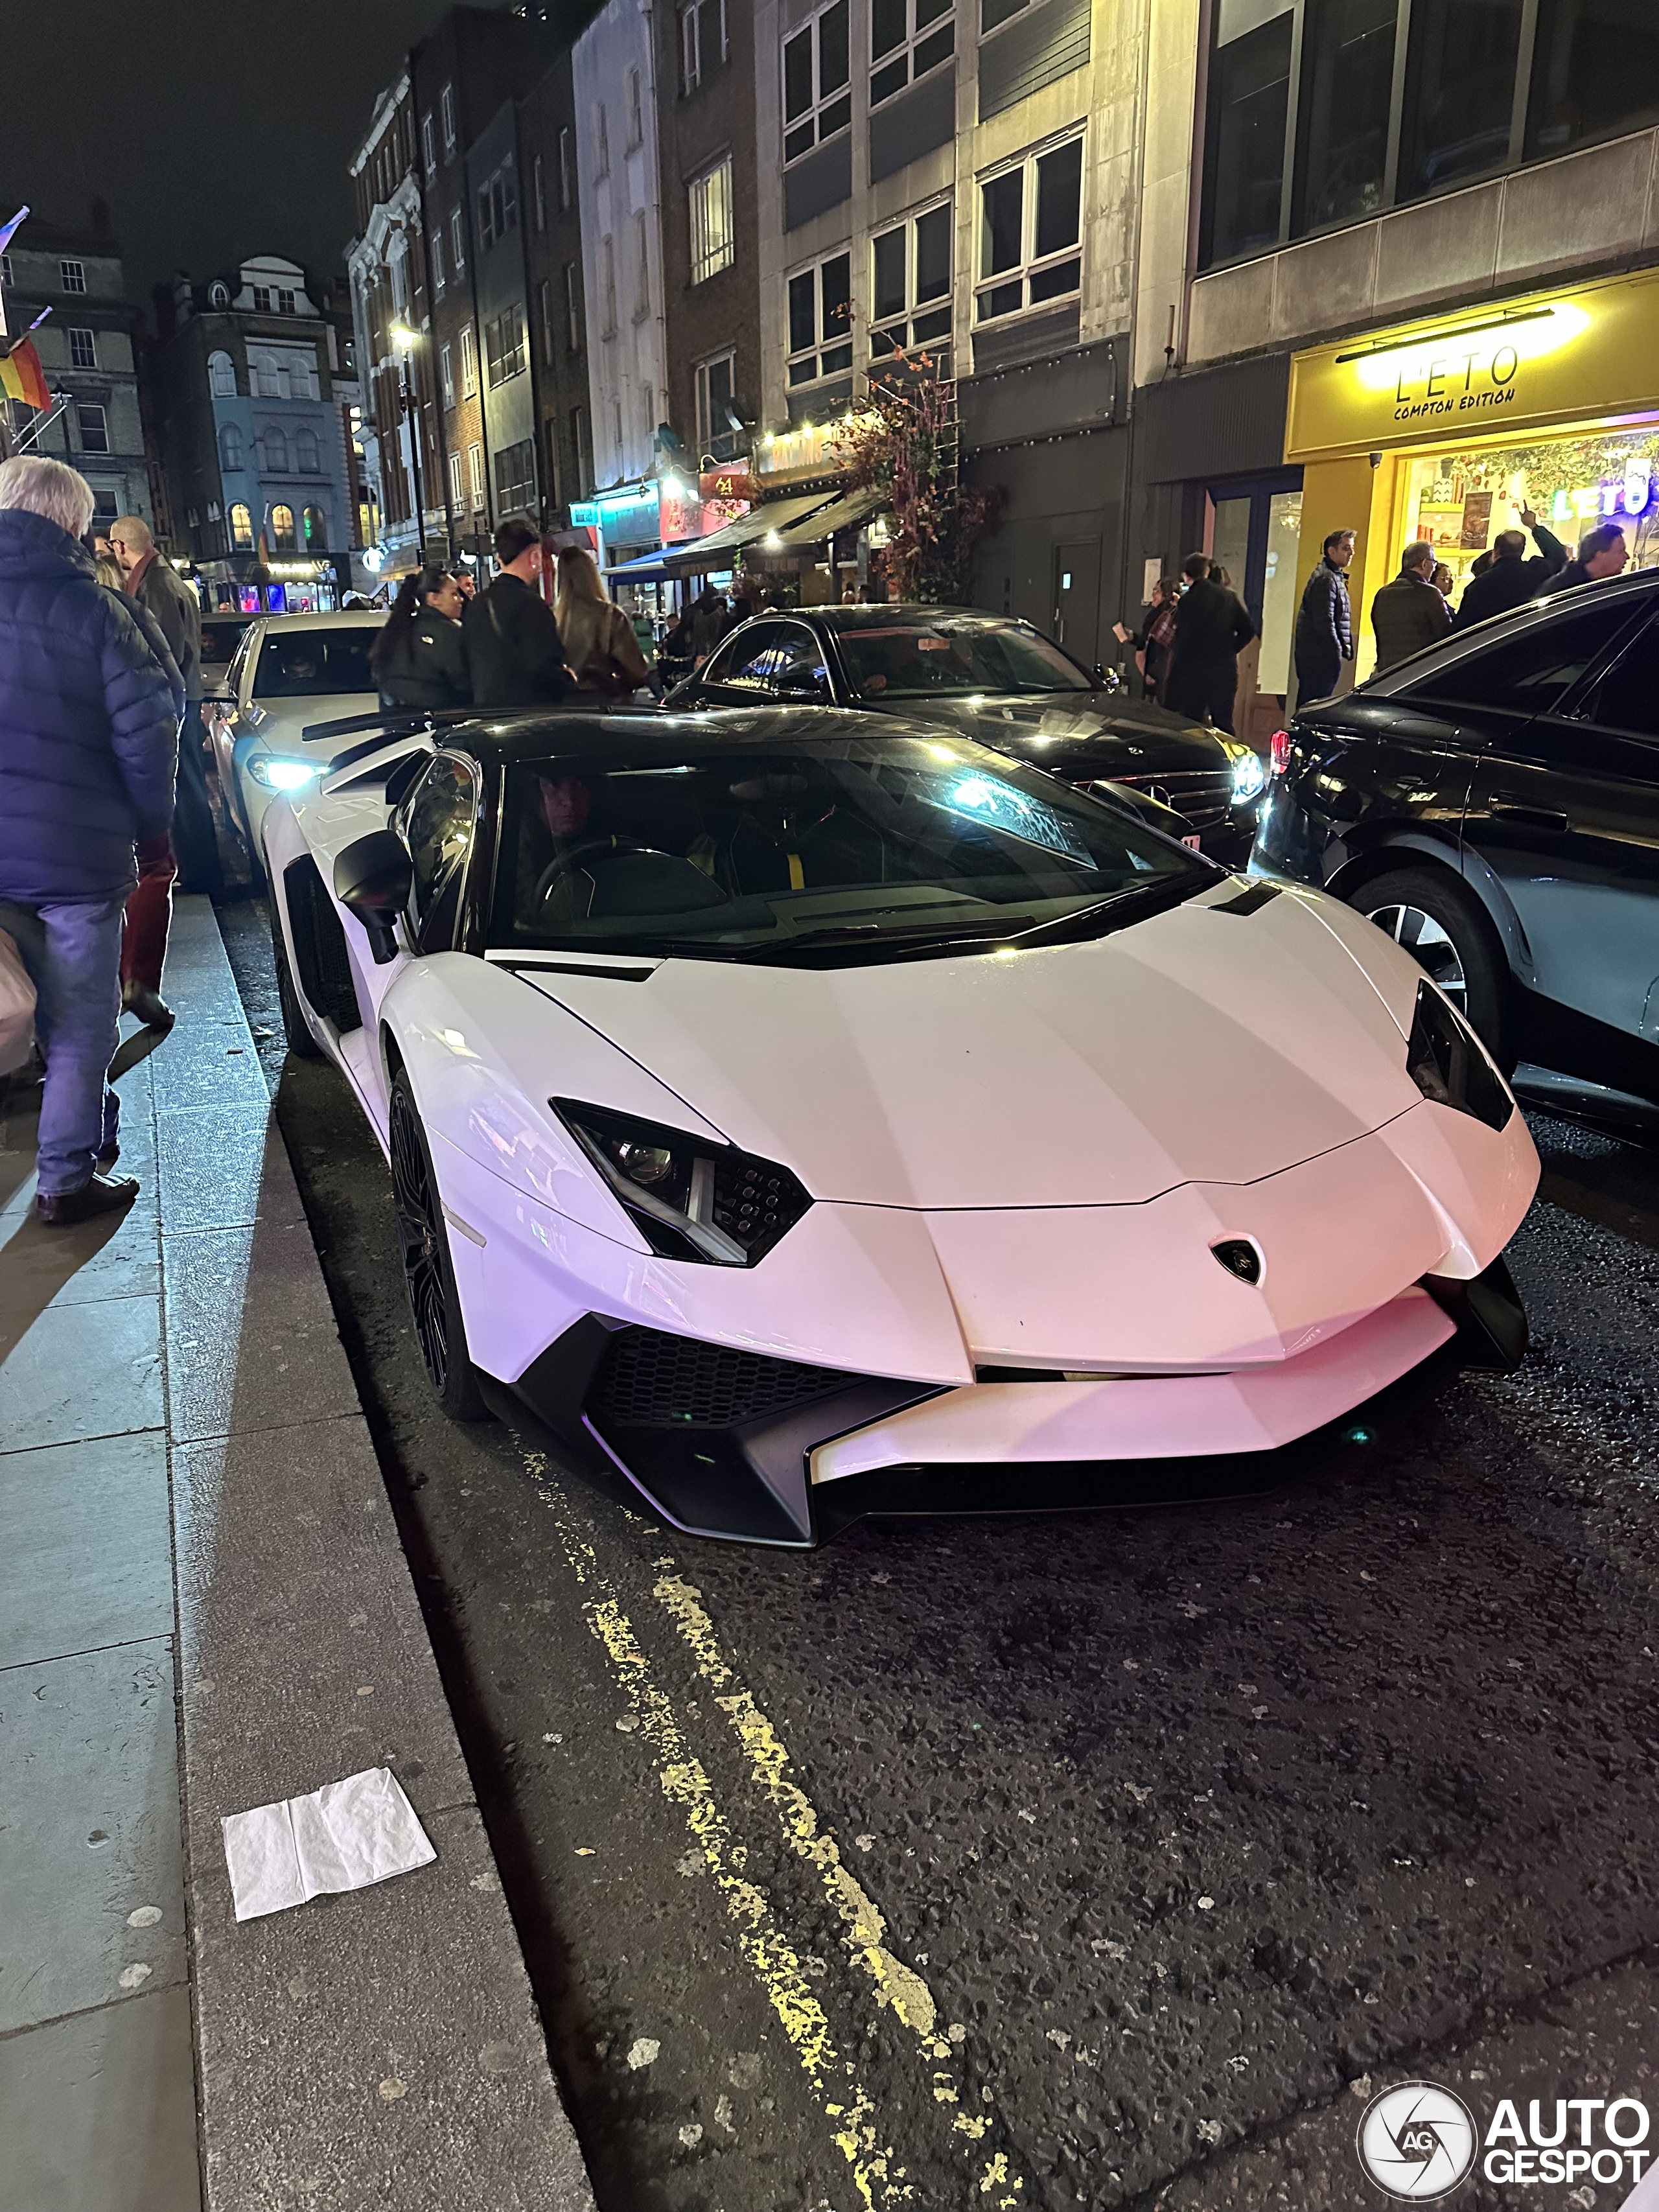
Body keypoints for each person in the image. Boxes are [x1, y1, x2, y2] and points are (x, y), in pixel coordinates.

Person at [0, 457, 181, 1225]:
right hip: (79, 857)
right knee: (80, 1022)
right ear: (73, 525)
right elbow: (149, 733)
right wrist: (150, 829)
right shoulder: (101, 613)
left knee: (21, 1002)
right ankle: (66, 1178)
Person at [111, 514, 221, 905]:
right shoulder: (163, 578)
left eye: (113, 546)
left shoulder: (155, 585)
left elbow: (166, 653)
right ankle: (203, 870)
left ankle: (203, 872)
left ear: (121, 546)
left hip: (177, 700)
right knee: (189, 784)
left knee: (186, 786)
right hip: (185, 696)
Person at [461, 518, 572, 708]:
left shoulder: (477, 604)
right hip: (526, 719)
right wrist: (568, 679)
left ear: (500, 559)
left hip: (485, 716)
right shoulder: (532, 606)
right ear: (534, 556)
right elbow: (543, 668)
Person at [1163, 553, 1254, 731]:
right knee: (1224, 723)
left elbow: (1183, 642)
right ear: (1206, 571)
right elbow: (1248, 630)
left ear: (1186, 575)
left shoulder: (1188, 602)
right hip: (1223, 670)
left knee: (1192, 724)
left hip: (1194, 672)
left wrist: (1173, 683)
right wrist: (1230, 650)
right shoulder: (1228, 597)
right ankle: (1229, 758)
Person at [554, 546, 651, 696]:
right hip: (605, 705)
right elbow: (637, 671)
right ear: (591, 574)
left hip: (564, 708)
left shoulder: (553, 618)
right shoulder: (610, 616)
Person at [370, 565, 470, 709]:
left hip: (396, 722)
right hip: (439, 721)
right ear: (434, 598)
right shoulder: (450, 633)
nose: (460, 600)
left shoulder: (397, 629)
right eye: (454, 594)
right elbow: (464, 684)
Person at [1453, 507, 1567, 629]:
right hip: (1532, 635)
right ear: (1522, 550)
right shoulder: (1538, 572)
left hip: (1493, 643)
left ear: (1495, 553)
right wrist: (1533, 526)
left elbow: (1463, 627)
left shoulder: (1478, 586)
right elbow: (1559, 555)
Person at [1294, 529, 1356, 705]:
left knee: (1312, 703)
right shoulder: (1326, 579)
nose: (1351, 553)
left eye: (1352, 548)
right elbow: (1325, 622)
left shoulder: (1332, 576)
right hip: (1318, 658)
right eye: (1346, 548)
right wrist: (1336, 651)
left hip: (1318, 655)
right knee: (1312, 706)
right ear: (1331, 551)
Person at [1371, 540, 1452, 673]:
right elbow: (1445, 634)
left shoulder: (1383, 594)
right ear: (1424, 564)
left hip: (1386, 672)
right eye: (1434, 563)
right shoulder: (1429, 593)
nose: (1434, 568)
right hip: (1418, 672)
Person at [1551, 521, 1629, 592]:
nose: (1627, 557)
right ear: (1599, 554)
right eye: (1620, 551)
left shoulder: (1603, 585)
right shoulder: (1564, 589)